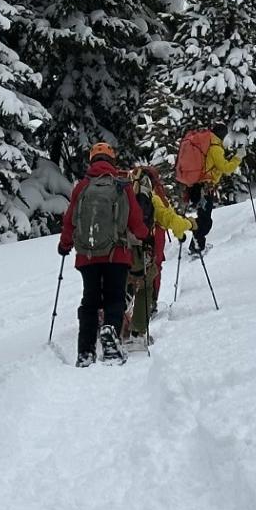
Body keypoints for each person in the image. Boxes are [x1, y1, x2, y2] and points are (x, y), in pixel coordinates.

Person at [59, 142, 147, 367]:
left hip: (86, 256)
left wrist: (65, 245)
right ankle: (110, 342)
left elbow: (70, 220)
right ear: (111, 160)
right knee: (114, 299)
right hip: (116, 254)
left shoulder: (82, 187)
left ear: (92, 160)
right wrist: (143, 235)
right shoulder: (122, 185)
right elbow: (135, 220)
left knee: (89, 301)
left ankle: (85, 352)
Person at [123, 165, 192, 347]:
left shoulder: (119, 194)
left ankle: (113, 324)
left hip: (117, 251)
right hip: (141, 250)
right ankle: (137, 332)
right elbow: (169, 218)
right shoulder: (152, 197)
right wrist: (188, 226)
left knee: (118, 283)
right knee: (146, 285)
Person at [175, 127, 242, 255]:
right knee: (205, 220)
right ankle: (197, 246)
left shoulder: (207, 144)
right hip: (204, 189)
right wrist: (238, 157)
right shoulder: (214, 147)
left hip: (195, 187)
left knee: (203, 216)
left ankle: (196, 244)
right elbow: (226, 168)